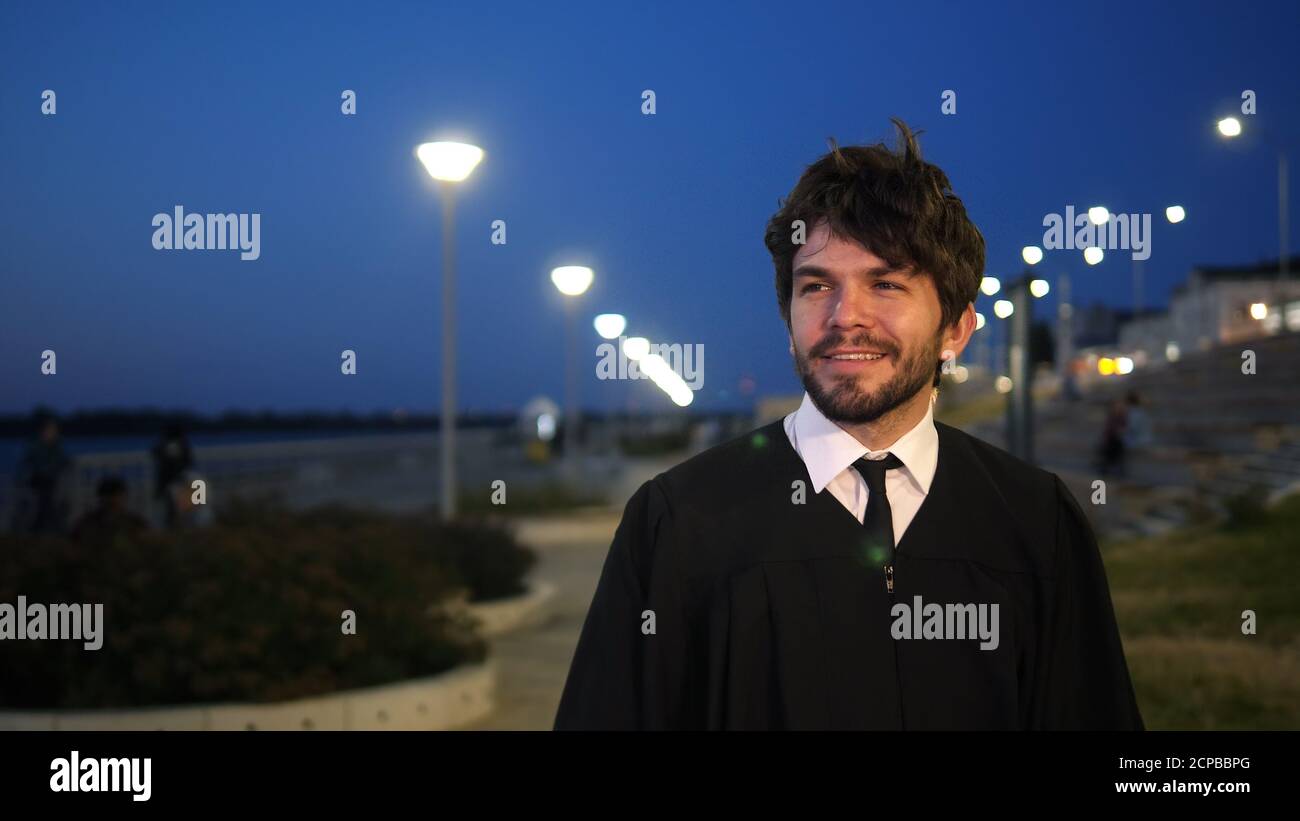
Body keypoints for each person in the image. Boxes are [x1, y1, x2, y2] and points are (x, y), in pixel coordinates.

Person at [554, 119, 1142, 730]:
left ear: (956, 329)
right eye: (816, 286)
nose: (845, 317)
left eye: (885, 283)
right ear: (789, 321)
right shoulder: (679, 522)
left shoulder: (1035, 521)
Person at [12, 412, 73, 534]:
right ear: (43, 430)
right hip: (37, 480)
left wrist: (61, 464)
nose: (53, 432)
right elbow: (32, 463)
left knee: (49, 499)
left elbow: (63, 461)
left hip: (51, 480)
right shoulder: (35, 445)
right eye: (50, 429)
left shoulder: (56, 446)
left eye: (54, 429)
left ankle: (44, 525)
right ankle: (47, 526)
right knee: (45, 499)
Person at [71, 475, 148, 541]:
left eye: (116, 496)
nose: (112, 500)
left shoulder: (135, 523)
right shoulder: (87, 523)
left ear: (124, 497)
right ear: (100, 498)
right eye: (108, 496)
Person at [151, 424, 195, 526]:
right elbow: (189, 461)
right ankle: (175, 525)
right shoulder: (180, 445)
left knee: (174, 507)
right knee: (175, 507)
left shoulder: (171, 445)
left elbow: (155, 453)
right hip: (176, 481)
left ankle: (173, 525)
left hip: (173, 481)